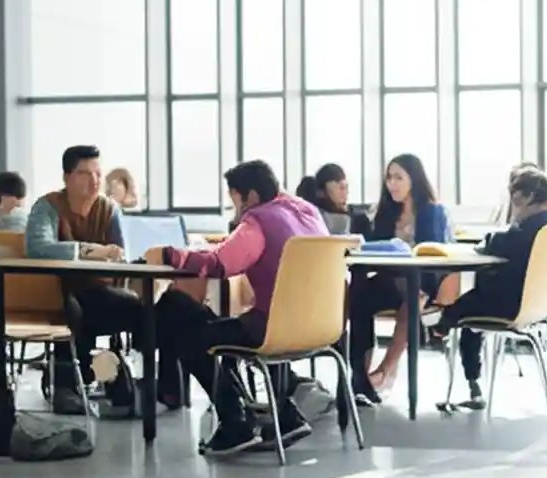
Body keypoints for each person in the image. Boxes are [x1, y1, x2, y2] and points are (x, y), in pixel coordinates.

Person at [152, 160, 330, 456]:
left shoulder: (257, 220)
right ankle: (285, 416)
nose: (235, 206)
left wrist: (170, 255)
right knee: (207, 317)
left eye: (234, 198)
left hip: (273, 327)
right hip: (317, 326)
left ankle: (234, 422)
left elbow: (219, 264)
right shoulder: (307, 211)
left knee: (187, 331)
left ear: (249, 196)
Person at [26, 146, 144, 415]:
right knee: (74, 310)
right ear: (67, 177)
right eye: (84, 173)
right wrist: (90, 250)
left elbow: (120, 255)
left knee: (142, 309)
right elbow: (38, 247)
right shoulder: (48, 206)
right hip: (56, 293)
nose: (94, 180)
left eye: (97, 173)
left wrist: (113, 258)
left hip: (98, 290)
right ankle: (68, 387)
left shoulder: (109, 209)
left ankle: (140, 383)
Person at [436, 168, 547, 409]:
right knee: (463, 308)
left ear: (527, 198)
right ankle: (443, 325)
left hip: (508, 304)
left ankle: (471, 381)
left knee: (458, 313)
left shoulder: (529, 228)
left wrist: (490, 238)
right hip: (540, 306)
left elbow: (497, 245)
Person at [348, 154, 453, 403]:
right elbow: (374, 250)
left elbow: (434, 256)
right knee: (358, 295)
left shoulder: (432, 212)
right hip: (391, 281)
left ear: (413, 180)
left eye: (398, 178)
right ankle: (359, 375)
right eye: (389, 177)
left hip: (424, 282)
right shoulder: (386, 213)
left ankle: (386, 370)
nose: (392, 184)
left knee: (412, 297)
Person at [297, 162, 372, 236]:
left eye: (346, 187)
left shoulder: (360, 220)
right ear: (322, 192)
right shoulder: (314, 218)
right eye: (341, 188)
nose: (345, 193)